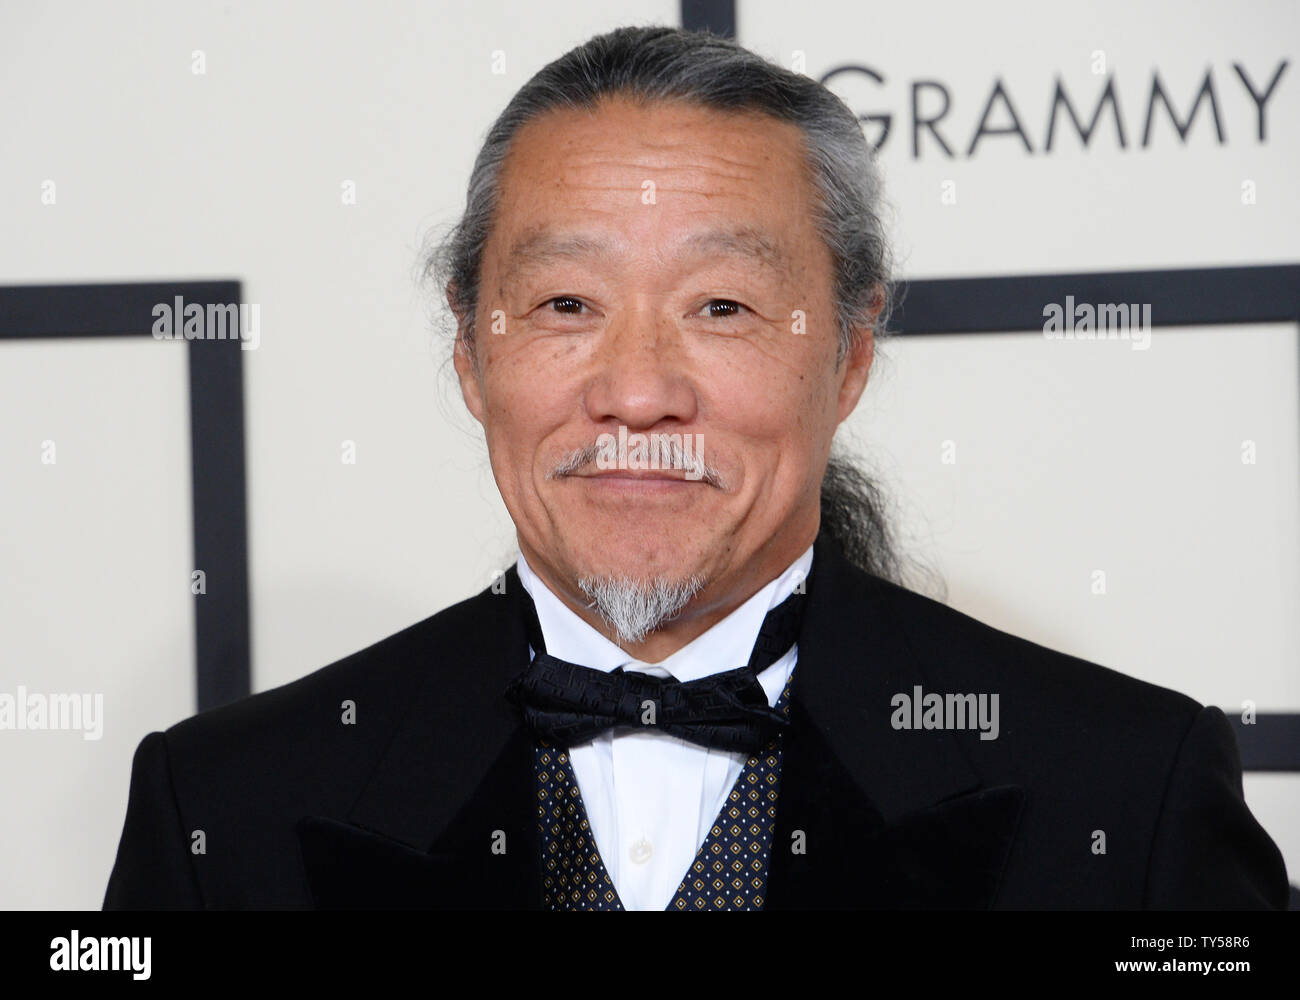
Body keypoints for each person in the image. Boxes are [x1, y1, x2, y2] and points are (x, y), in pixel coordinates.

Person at [104, 25, 1288, 910]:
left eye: (720, 305)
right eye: (567, 302)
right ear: (469, 351)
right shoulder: (222, 810)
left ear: (849, 356)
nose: (635, 389)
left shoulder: (1124, 797)